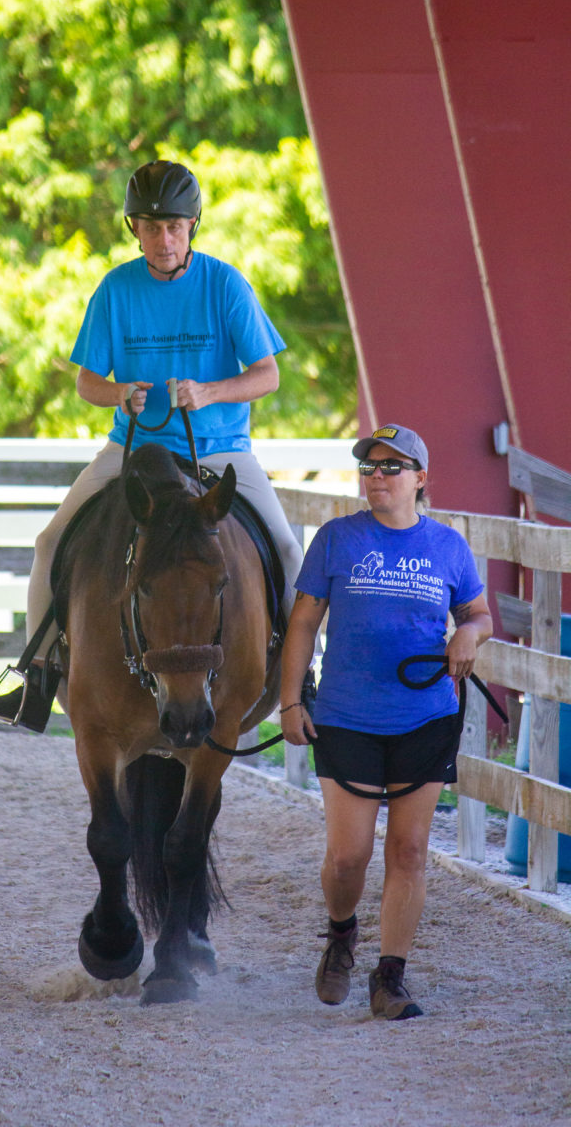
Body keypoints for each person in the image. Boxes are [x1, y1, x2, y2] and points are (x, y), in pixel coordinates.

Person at [0, 159, 303, 732]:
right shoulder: (115, 289)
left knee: (290, 552)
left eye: (174, 226)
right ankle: (38, 678)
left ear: (194, 224)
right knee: (50, 542)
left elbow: (268, 374)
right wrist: (117, 392)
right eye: (151, 227)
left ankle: (305, 686)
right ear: (135, 230)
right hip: (131, 451)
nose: (164, 238)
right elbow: (85, 381)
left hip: (219, 451)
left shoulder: (226, 285)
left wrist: (210, 391)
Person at [279, 423, 493, 1020]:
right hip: (347, 717)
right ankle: (342, 933)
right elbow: (302, 624)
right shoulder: (336, 539)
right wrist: (291, 701)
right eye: (369, 468)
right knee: (348, 857)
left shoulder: (448, 546)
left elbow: (478, 614)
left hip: (425, 718)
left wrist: (467, 637)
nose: (377, 477)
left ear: (420, 478)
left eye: (391, 467)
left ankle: (391, 977)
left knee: (411, 851)